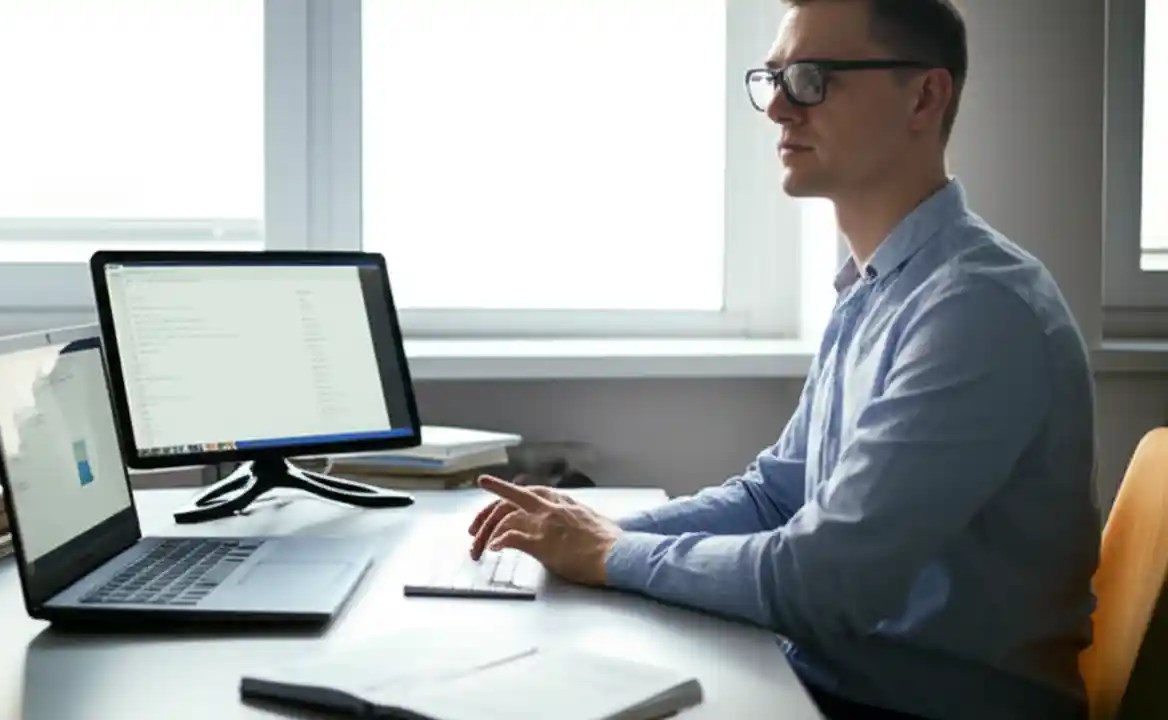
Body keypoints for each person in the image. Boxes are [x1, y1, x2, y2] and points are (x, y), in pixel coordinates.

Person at [466, 1, 1100, 718]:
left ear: (924, 95)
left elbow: (823, 583)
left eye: (811, 78)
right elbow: (776, 496)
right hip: (829, 686)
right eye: (772, 78)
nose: (777, 110)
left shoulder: (978, 311)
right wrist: (581, 529)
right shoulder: (877, 286)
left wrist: (610, 556)